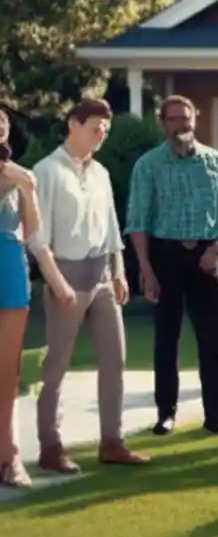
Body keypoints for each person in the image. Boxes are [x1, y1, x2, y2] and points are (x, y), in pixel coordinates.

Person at [29, 99, 151, 474]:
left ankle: (112, 442)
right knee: (57, 367)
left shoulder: (99, 173)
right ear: (73, 124)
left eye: (106, 130)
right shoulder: (46, 172)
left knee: (115, 360)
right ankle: (51, 447)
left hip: (101, 277)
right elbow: (37, 238)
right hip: (65, 277)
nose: (101, 134)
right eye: (96, 127)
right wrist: (58, 285)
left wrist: (119, 272)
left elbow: (111, 226)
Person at [126, 94, 218, 437]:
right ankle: (165, 413)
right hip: (165, 257)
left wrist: (216, 249)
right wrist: (146, 269)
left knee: (212, 340)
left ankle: (216, 414)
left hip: (205, 258)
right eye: (174, 118)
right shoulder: (149, 165)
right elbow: (138, 221)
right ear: (163, 123)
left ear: (196, 119)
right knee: (166, 339)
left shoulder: (214, 161)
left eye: (186, 118)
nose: (182, 124)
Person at [1, 108, 39, 487]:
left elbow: (33, 228)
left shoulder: (20, 174)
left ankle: (10, 454)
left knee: (8, 370)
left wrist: (26, 187)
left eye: (2, 120)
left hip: (10, 263)